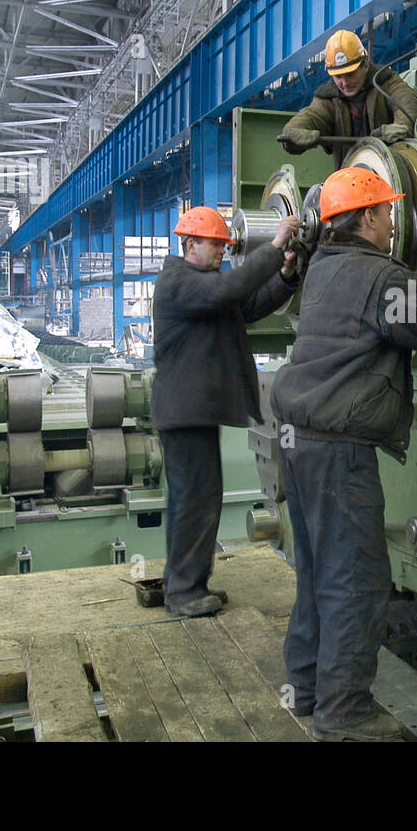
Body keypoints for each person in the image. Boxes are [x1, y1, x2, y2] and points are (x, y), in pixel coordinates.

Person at [271, 167, 417, 740]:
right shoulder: (376, 276)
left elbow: (395, 298)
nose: (394, 221)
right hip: (339, 450)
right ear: (366, 218)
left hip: (299, 438)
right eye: (388, 212)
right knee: (358, 581)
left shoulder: (326, 267)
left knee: (317, 572)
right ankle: (344, 714)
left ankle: (308, 689)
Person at [151, 205, 302, 617]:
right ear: (190, 243)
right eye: (215, 245)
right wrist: (273, 247)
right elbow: (230, 291)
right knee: (192, 501)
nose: (223, 251)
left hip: (193, 415)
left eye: (225, 245)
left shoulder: (206, 286)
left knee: (201, 500)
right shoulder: (177, 283)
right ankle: (182, 593)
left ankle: (190, 585)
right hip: (183, 416)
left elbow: (247, 306)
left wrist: (286, 274)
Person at [280, 30, 417, 168]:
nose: (344, 82)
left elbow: (406, 101)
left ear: (365, 66)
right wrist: (294, 134)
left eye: (350, 74)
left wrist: (401, 126)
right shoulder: (328, 99)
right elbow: (308, 118)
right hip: (350, 181)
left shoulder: (386, 81)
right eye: (338, 77)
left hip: (391, 172)